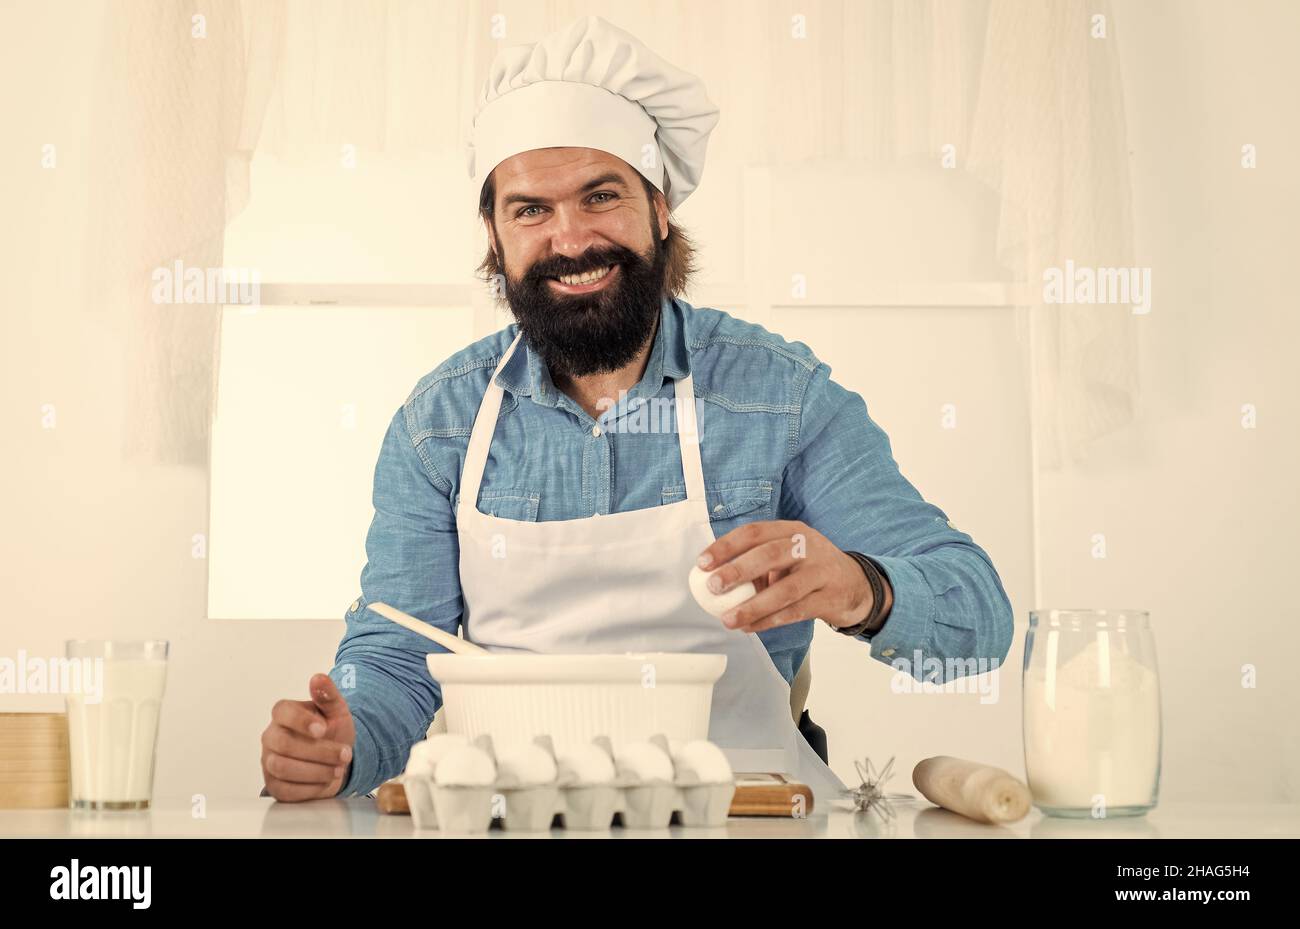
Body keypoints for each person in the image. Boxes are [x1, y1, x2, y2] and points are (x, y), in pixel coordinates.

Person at [260, 15, 1014, 804]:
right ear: (494, 233)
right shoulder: (436, 427)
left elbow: (979, 623)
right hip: (511, 818)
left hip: (745, 816)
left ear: (661, 208)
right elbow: (392, 661)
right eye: (531, 211)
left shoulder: (780, 399)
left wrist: (864, 589)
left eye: (601, 195)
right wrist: (344, 744)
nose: (571, 237)